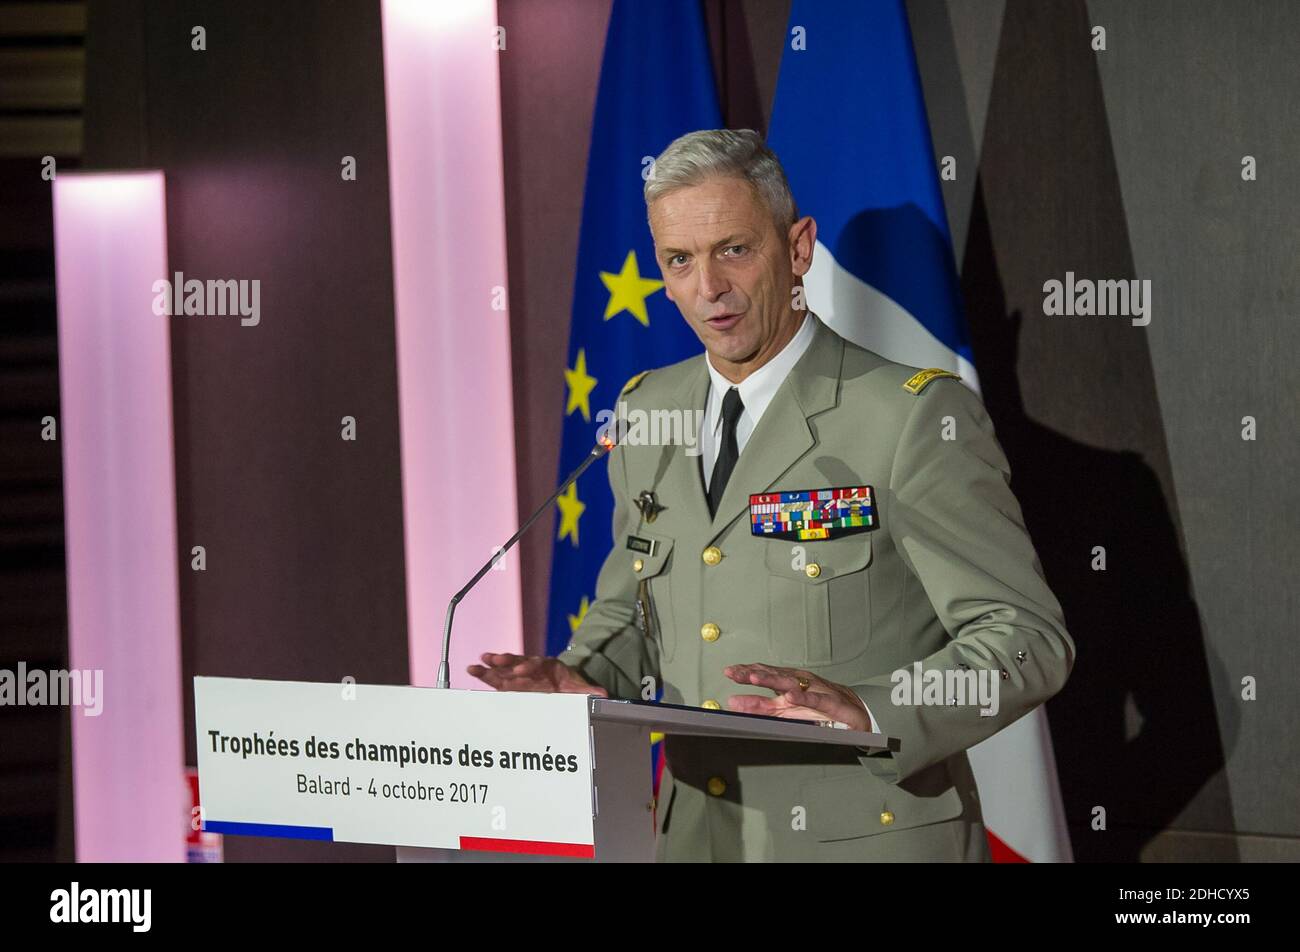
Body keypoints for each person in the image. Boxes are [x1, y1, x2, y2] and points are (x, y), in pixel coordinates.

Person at [469, 129, 1074, 861]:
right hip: (695, 837)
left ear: (797, 250)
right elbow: (636, 612)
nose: (708, 289)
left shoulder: (911, 416)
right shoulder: (643, 412)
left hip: (862, 843)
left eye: (734, 249)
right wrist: (583, 675)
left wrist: (878, 709)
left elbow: (1026, 638)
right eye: (679, 261)